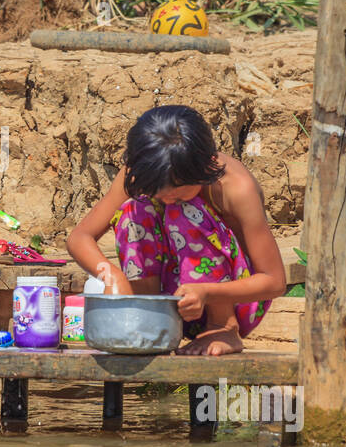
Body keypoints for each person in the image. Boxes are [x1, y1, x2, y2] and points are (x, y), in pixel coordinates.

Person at [66, 105, 286, 356]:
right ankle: (149, 316)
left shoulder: (236, 188)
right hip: (176, 302)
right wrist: (110, 275)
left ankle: (222, 327)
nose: (167, 196)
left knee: (185, 212)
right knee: (134, 210)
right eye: (159, 189)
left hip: (233, 300)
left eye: (177, 190)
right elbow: (79, 237)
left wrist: (206, 293)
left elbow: (274, 281)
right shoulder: (144, 174)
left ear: (204, 167)